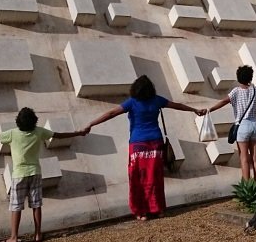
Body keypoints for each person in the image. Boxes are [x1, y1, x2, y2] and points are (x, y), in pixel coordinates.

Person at [0, 107, 88, 242]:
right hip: (35, 172)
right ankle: (37, 234)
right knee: (36, 205)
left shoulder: (12, 133)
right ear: (34, 121)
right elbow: (59, 135)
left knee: (16, 206)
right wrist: (78, 132)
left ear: (18, 121)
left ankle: (13, 238)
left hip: (19, 174)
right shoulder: (40, 131)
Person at [83, 75, 205, 220]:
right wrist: (194, 109)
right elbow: (177, 105)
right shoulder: (157, 100)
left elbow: (111, 113)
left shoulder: (132, 103)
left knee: (137, 177)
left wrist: (91, 123)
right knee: (155, 176)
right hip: (155, 142)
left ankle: (141, 212)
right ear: (150, 89)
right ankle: (158, 209)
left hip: (137, 144)